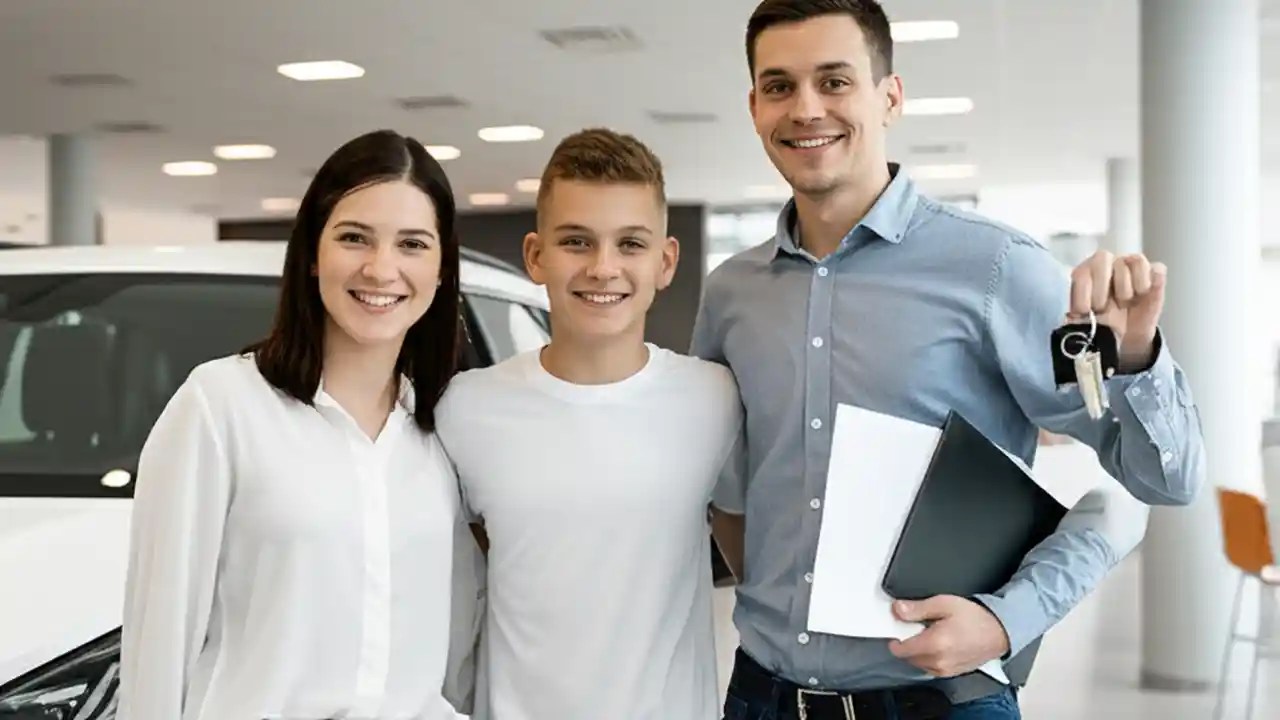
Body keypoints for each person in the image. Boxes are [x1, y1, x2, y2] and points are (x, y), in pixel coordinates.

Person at [694, 1, 1207, 719]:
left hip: (940, 704)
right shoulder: (731, 294)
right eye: (779, 86)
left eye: (835, 81)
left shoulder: (999, 269)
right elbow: (732, 487)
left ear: (890, 97)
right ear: (754, 106)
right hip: (763, 697)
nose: (806, 108)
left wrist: (1136, 358)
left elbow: (1158, 481)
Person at [118, 129, 471, 720]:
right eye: (355, 237)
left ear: (440, 269)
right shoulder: (221, 405)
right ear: (312, 252)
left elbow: (459, 646)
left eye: (412, 244)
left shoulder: (445, 430)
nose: (382, 269)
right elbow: (160, 637)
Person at [434, 128, 741, 720]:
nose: (604, 268)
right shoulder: (465, 410)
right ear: (536, 256)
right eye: (577, 241)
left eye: (630, 244)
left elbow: (761, 569)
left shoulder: (715, 399)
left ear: (665, 261)